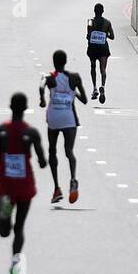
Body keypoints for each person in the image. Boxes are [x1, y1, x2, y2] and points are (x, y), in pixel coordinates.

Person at [0, 92, 46, 274]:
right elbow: (42, 162)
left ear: (10, 107)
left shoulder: (1, 130)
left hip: (6, 185)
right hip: (24, 186)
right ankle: (16, 267)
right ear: (25, 109)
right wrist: (41, 159)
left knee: (6, 229)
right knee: (18, 228)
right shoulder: (31, 133)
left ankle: (16, 268)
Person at [39, 50, 87, 205]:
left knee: (52, 150)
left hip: (53, 118)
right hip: (69, 118)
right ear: (66, 61)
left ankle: (56, 188)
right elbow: (85, 100)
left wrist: (42, 100)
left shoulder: (49, 77)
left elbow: (41, 86)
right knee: (69, 151)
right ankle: (73, 180)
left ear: (54, 62)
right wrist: (73, 93)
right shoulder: (74, 77)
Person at [86, 3, 115, 103]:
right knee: (103, 69)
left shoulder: (90, 21)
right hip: (103, 48)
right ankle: (102, 86)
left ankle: (94, 88)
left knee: (93, 66)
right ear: (103, 11)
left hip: (93, 48)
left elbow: (88, 34)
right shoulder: (107, 22)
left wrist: (93, 35)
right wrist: (104, 34)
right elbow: (112, 36)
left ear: (94, 11)